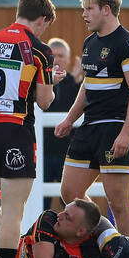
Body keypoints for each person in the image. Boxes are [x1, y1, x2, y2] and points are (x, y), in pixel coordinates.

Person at [0, 0, 61, 258]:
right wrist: (53, 81)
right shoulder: (39, 49)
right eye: (45, 26)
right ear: (42, 19)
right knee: (15, 208)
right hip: (14, 130)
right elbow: (46, 101)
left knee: (5, 201)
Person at [56, 0, 129, 238]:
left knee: (118, 202)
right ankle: (105, 242)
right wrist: (69, 119)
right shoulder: (89, 43)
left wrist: (126, 133)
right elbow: (87, 86)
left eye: (89, 8)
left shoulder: (128, 45)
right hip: (88, 128)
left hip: (115, 127)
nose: (84, 14)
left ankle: (128, 256)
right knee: (69, 194)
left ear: (106, 9)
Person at [13, 199, 103, 258]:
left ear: (80, 231)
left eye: (67, 217)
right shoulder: (48, 219)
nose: (59, 215)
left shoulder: (89, 249)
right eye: (64, 211)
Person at [43, 38, 81, 211]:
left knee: (69, 199)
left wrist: (77, 82)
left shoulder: (76, 85)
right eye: (53, 56)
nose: (57, 59)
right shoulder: (40, 82)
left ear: (68, 59)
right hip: (43, 150)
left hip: (67, 151)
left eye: (61, 56)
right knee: (39, 198)